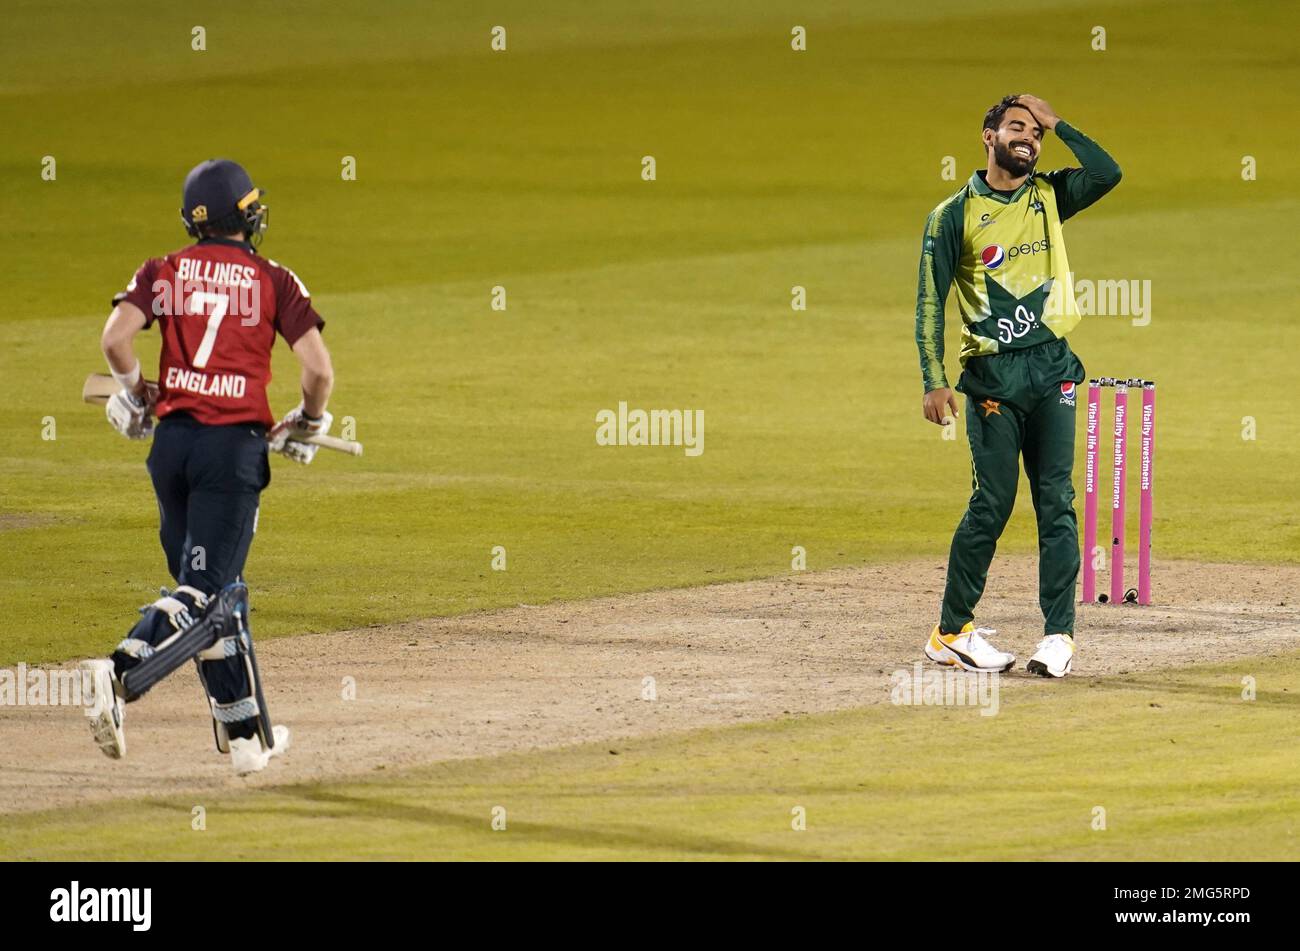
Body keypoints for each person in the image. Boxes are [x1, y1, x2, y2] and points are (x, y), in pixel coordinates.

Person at [80, 158, 336, 773]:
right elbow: (319, 372)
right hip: (231, 451)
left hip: (172, 449)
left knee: (217, 595)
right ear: (246, 215)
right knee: (202, 593)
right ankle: (116, 673)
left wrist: (136, 392)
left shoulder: (162, 269)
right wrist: (308, 420)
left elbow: (115, 338)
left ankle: (247, 738)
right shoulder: (274, 279)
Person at [915, 94, 1122, 678]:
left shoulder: (1049, 195)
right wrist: (933, 380)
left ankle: (1058, 636)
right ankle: (951, 631)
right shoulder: (952, 216)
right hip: (993, 382)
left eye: (1035, 132)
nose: (1028, 138)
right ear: (988, 136)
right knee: (993, 503)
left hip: (1053, 369)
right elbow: (930, 301)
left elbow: (1108, 172)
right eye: (1016, 128)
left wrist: (1060, 123)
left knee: (1055, 502)